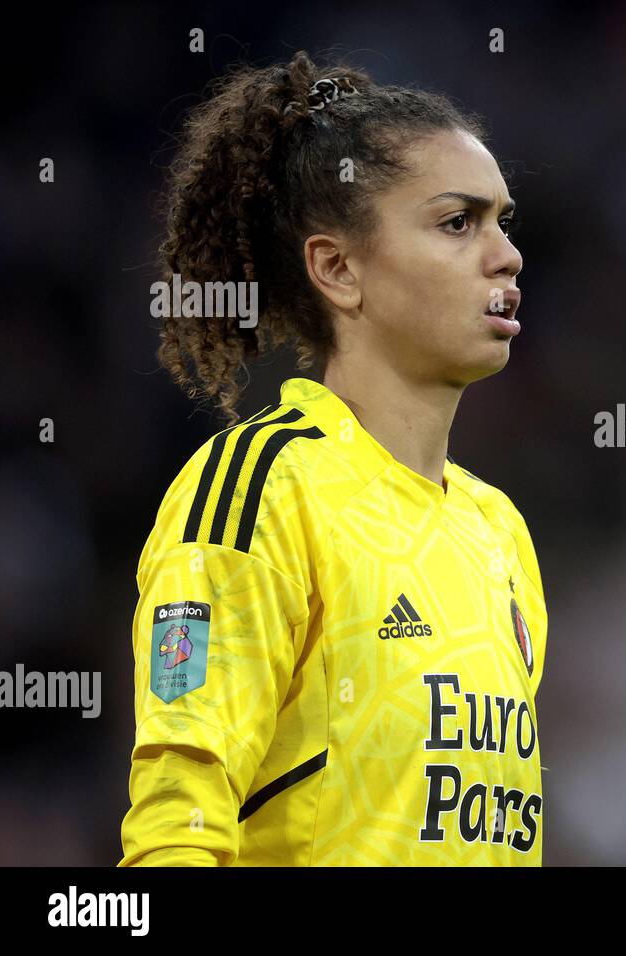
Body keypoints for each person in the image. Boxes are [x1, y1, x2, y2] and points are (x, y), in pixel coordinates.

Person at [118, 50, 546, 865]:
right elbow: (179, 824)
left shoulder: (500, 535)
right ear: (338, 269)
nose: (505, 256)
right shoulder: (264, 489)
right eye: (459, 222)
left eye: (504, 222)